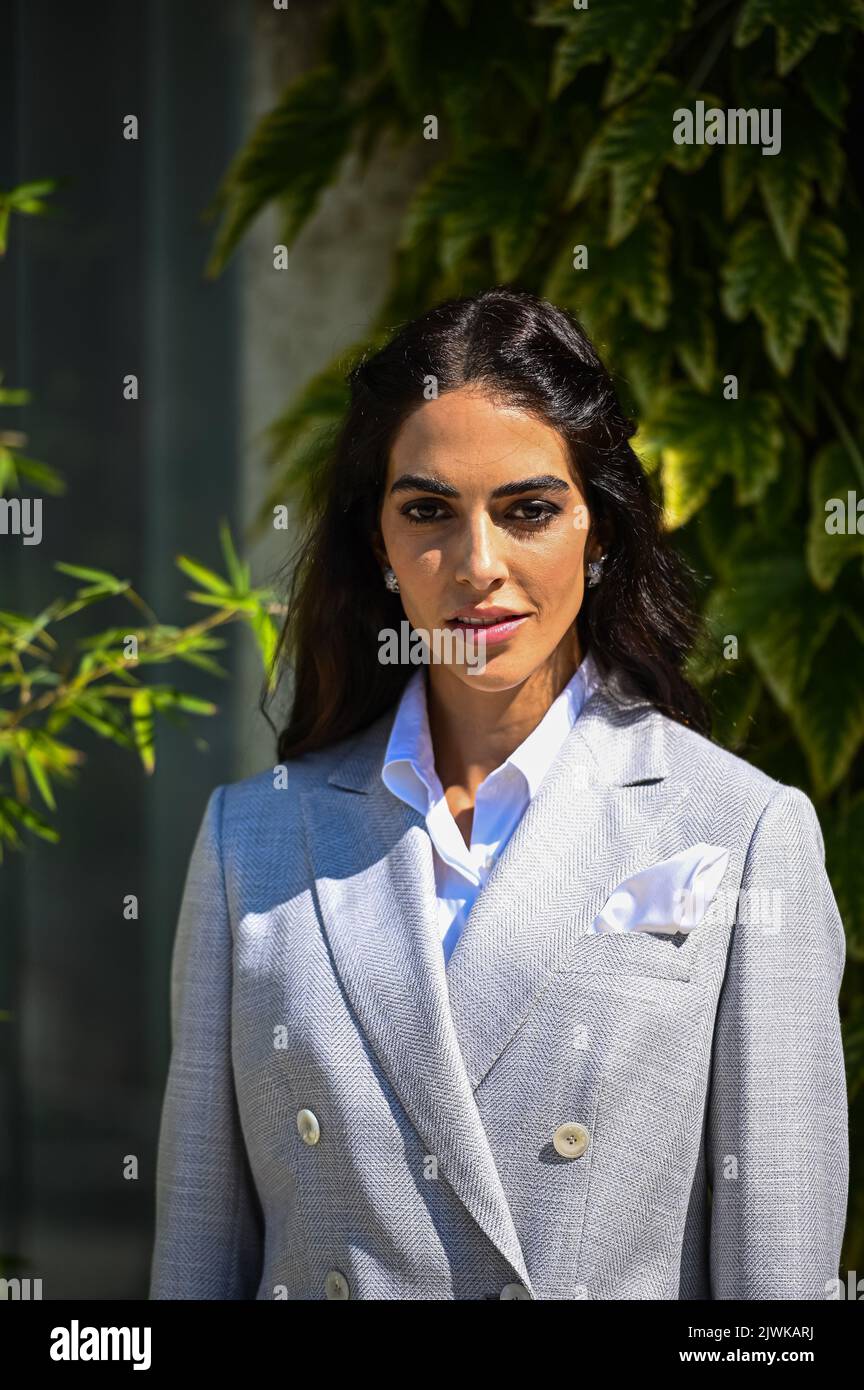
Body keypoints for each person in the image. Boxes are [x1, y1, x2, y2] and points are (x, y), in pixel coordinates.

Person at [149, 287, 848, 1300]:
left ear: (599, 532)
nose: (478, 566)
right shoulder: (249, 840)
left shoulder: (738, 832)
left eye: (529, 511)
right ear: (379, 543)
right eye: (428, 511)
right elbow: (196, 1262)